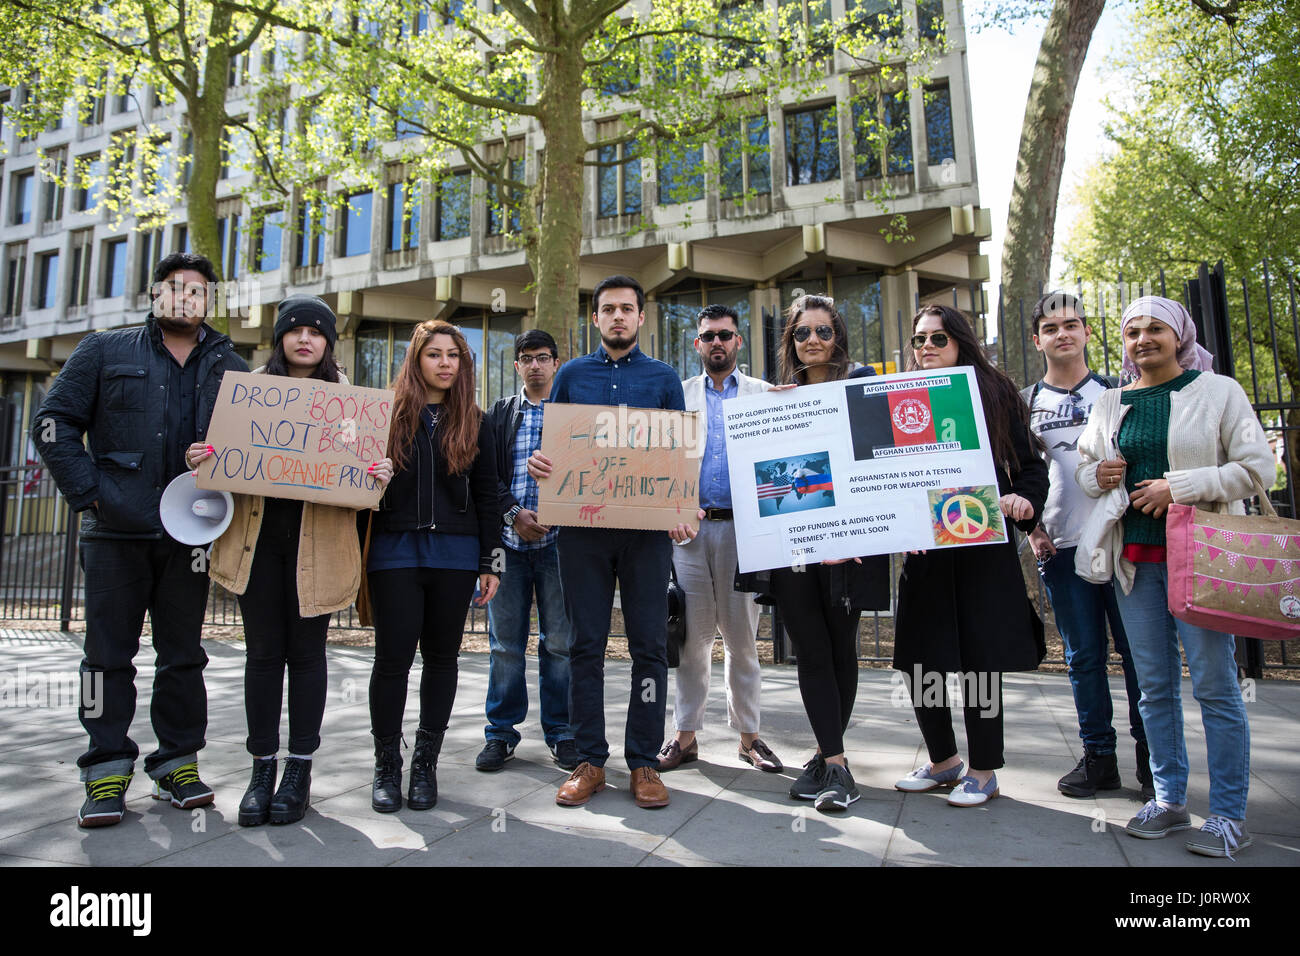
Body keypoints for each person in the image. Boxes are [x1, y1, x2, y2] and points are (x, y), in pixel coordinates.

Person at [31, 252, 248, 827]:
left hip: (194, 536)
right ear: (155, 294)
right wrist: (91, 494)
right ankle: (104, 771)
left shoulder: (234, 366)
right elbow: (52, 423)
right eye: (175, 288)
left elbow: (262, 451)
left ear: (209, 301)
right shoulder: (104, 349)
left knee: (184, 657)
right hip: (114, 532)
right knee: (106, 658)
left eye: (198, 290)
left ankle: (177, 762)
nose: (186, 297)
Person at [1075, 295, 1271, 858]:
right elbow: (1089, 471)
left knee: (1216, 688)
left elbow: (1258, 468)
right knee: (1154, 689)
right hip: (1135, 565)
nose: (1143, 340)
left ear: (1178, 334)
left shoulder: (1217, 391)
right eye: (1132, 331)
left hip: (1201, 560)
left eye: (1155, 328)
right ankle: (1168, 799)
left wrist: (1177, 486)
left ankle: (1230, 815)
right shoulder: (1110, 401)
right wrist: (1100, 472)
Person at [205, 296, 393, 825]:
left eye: (316, 331)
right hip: (257, 544)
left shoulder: (350, 403)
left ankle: (299, 769)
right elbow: (223, 464)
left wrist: (376, 475)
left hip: (319, 549)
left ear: (329, 342)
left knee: (308, 657)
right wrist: (205, 458)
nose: (305, 338)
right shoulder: (248, 393)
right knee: (263, 655)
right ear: (280, 338)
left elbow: (361, 481)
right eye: (295, 330)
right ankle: (261, 767)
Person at [526, 274, 696, 810]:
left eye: (627, 308)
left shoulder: (665, 378)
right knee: (585, 646)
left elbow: (678, 455)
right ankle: (590, 760)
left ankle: (644, 762)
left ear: (641, 318)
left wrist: (680, 504)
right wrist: (541, 466)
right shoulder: (572, 375)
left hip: (647, 537)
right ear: (594, 318)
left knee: (649, 647)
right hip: (582, 535)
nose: (617, 316)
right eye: (607, 309)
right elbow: (554, 447)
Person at [893, 304, 1048, 807]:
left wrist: (1024, 500)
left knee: (981, 659)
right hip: (925, 546)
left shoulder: (997, 392)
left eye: (938, 339)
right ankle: (944, 762)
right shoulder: (900, 396)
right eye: (919, 341)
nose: (927, 349)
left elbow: (1031, 467)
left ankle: (983, 771)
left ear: (960, 340)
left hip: (981, 540)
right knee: (922, 658)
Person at [752, 294, 890, 813]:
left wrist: (857, 531)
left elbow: (876, 458)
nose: (812, 340)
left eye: (823, 331)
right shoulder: (776, 396)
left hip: (850, 544)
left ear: (838, 337)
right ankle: (834, 761)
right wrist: (769, 416)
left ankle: (831, 760)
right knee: (810, 649)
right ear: (791, 340)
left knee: (840, 649)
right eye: (802, 333)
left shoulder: (862, 383)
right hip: (793, 541)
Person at [366, 321, 501, 813]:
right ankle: (386, 765)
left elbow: (489, 496)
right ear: (416, 360)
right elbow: (353, 488)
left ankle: (425, 763)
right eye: (434, 354)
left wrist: (491, 561)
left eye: (453, 355)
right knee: (392, 660)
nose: (445, 363)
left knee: (442, 660)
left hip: (456, 556)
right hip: (394, 553)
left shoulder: (477, 421)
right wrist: (372, 479)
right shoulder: (382, 416)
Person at [1021, 293, 1151, 800]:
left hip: (1121, 541)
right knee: (1083, 658)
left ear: (1088, 333)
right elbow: (1021, 474)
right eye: (1051, 328)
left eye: (1071, 324)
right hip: (1060, 546)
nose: (1062, 334)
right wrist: (1033, 530)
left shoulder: (1120, 392)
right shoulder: (1025, 401)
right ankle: (1099, 757)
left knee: (1138, 655)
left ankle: (1151, 759)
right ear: (1037, 340)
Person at [656, 304, 784, 776]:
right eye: (708, 336)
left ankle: (749, 737)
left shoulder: (765, 394)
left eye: (725, 335)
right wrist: (670, 509)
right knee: (692, 641)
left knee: (742, 641)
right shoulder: (678, 395)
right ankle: (685, 737)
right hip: (688, 532)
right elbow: (659, 459)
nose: (717, 343)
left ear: (738, 341)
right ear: (697, 344)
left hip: (744, 532)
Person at [478, 329, 577, 773]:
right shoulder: (498, 415)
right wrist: (513, 513)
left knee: (559, 644)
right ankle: (500, 734)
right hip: (508, 547)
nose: (535, 365)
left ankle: (561, 733)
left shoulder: (577, 416)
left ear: (556, 363)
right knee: (505, 645)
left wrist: (563, 512)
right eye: (526, 358)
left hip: (561, 547)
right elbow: (486, 480)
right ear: (516, 366)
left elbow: (594, 475)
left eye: (543, 357)